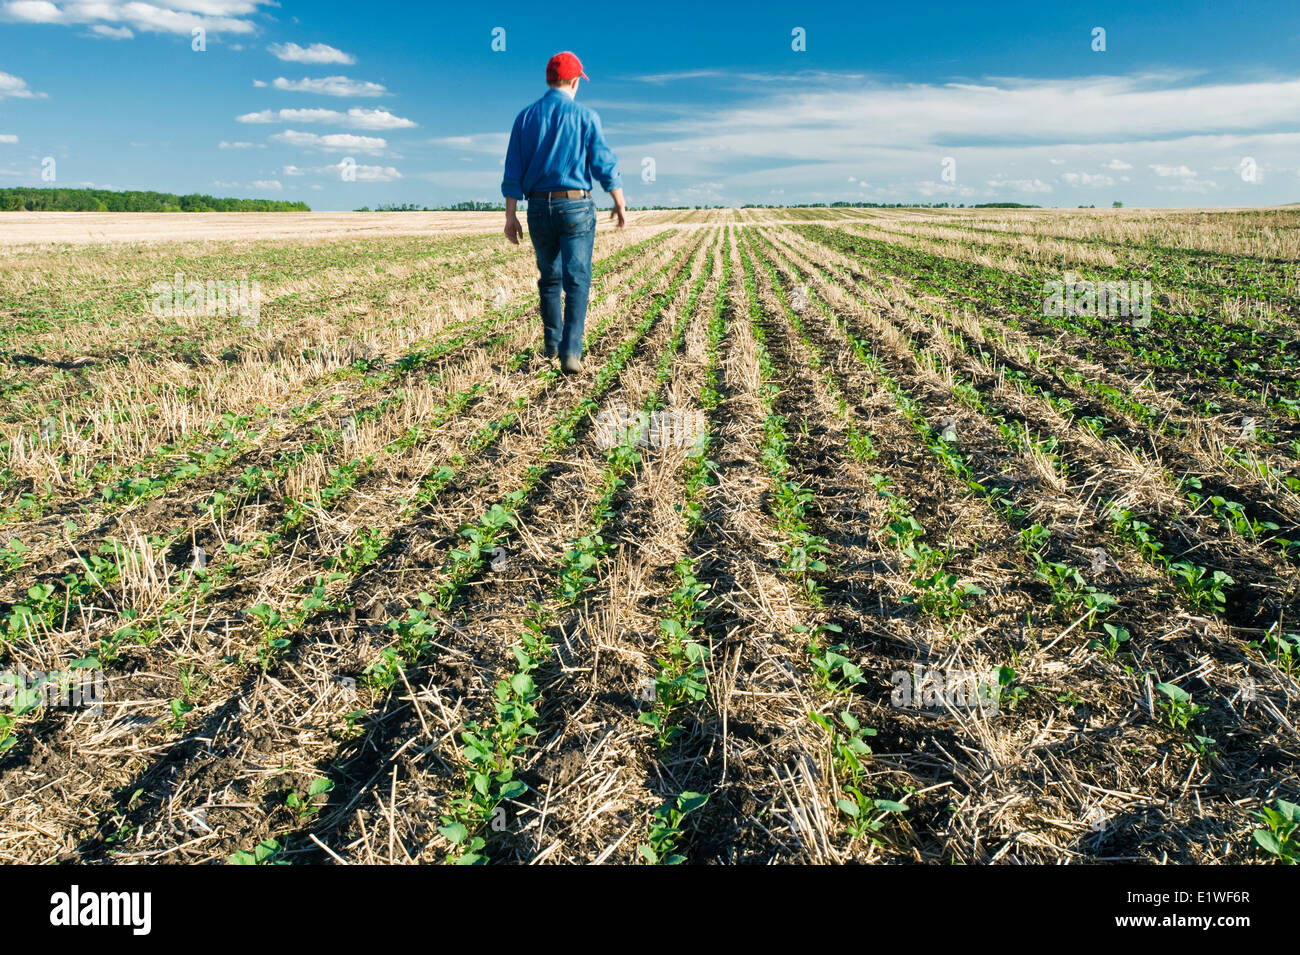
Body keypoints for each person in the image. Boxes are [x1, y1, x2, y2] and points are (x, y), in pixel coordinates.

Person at [501, 51, 628, 374]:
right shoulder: (586, 117)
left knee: (549, 279)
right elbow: (603, 163)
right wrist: (619, 201)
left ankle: (551, 344)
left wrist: (510, 215)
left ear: (548, 80)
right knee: (578, 278)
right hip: (575, 206)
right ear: (574, 82)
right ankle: (571, 352)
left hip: (538, 207)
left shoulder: (525, 118)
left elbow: (513, 170)